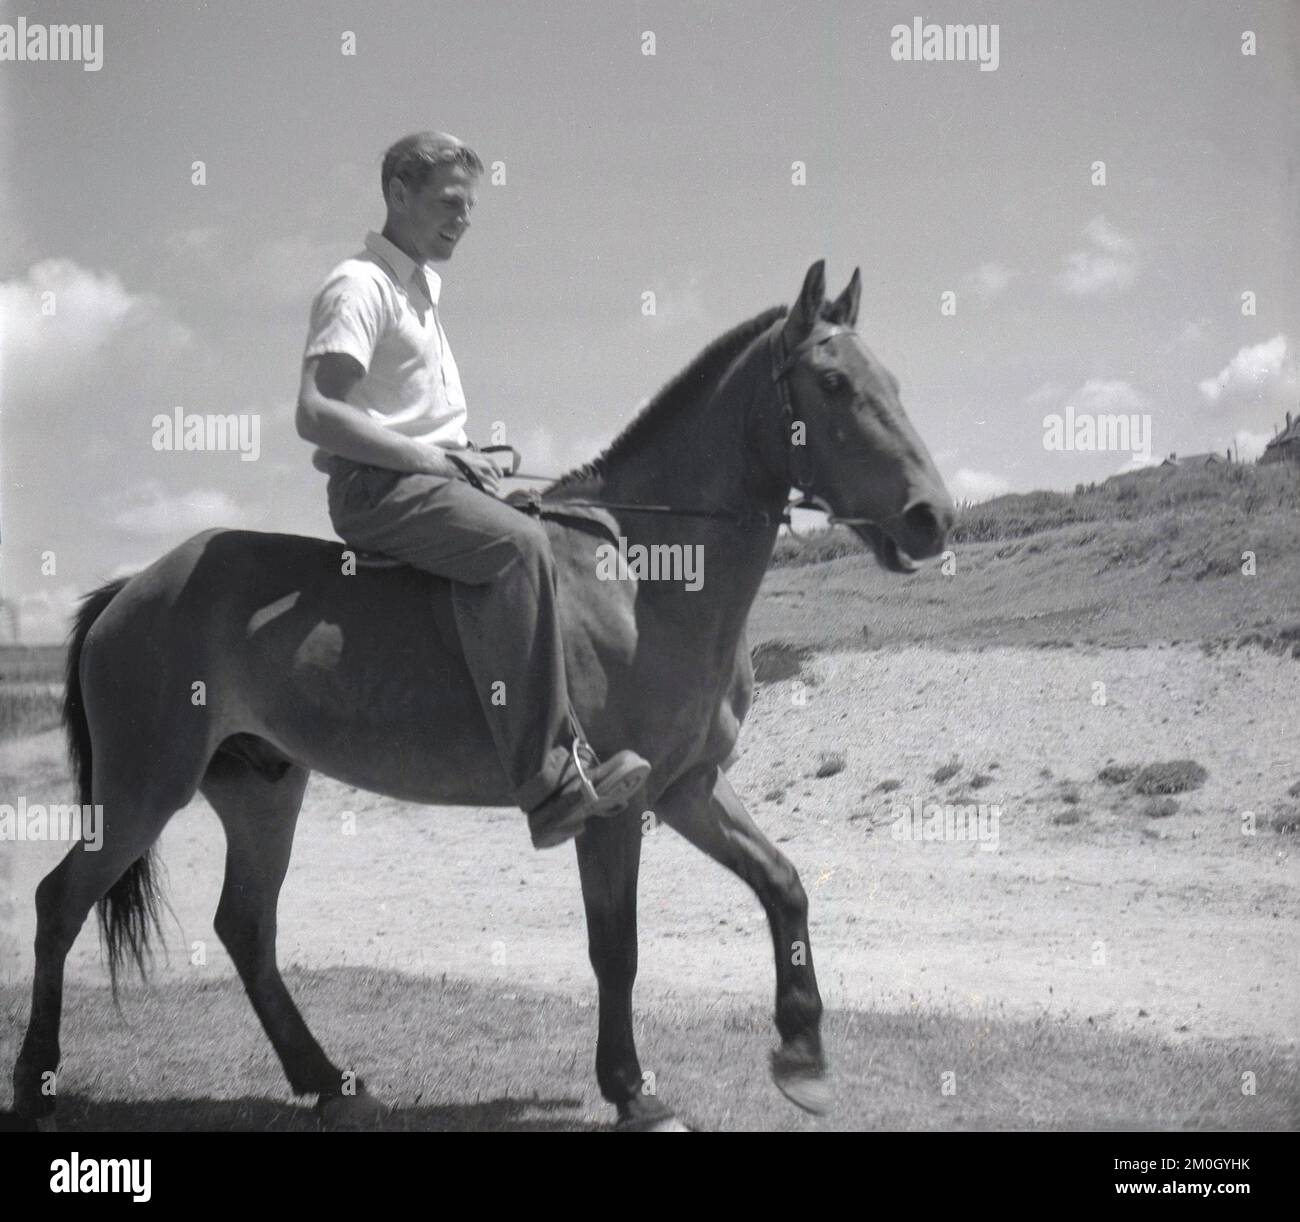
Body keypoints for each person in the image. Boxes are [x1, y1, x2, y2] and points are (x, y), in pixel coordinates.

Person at [296, 130, 650, 848]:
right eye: (449, 202)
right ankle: (548, 784)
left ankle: (565, 738)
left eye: (470, 207)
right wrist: (432, 459)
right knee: (519, 546)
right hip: (378, 491)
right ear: (399, 193)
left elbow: (406, 415)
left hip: (422, 475)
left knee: (549, 529)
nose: (463, 219)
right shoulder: (360, 285)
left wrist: (461, 456)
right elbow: (316, 413)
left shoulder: (419, 292)